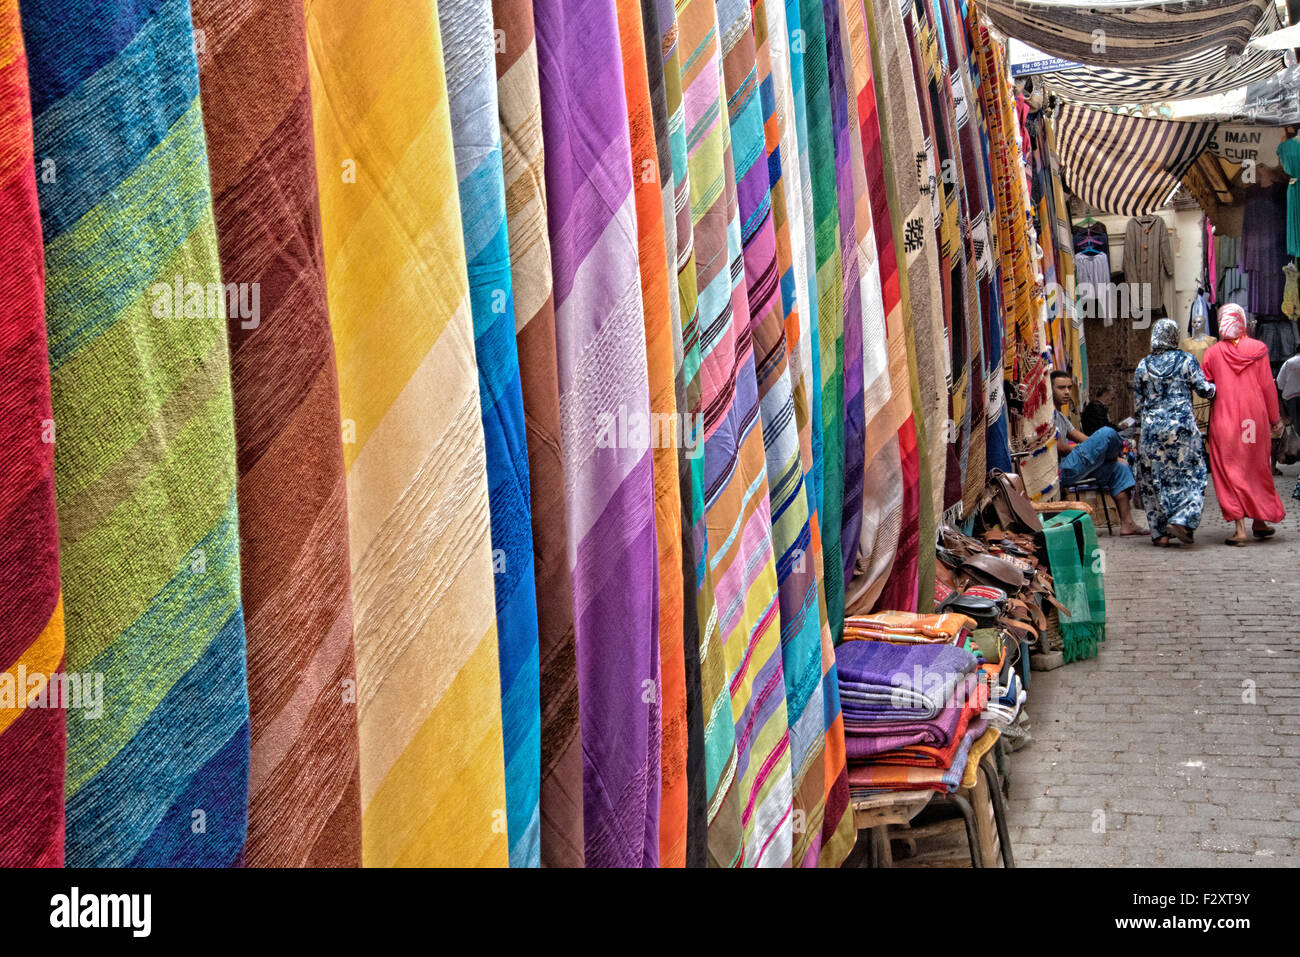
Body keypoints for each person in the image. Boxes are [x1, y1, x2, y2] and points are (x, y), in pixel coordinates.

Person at [1201, 304, 1286, 545]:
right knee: (1256, 467)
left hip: (1224, 422)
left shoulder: (1213, 353)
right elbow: (1268, 387)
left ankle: (1240, 528)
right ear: (1242, 321)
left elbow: (1205, 386)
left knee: (1230, 471)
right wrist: (1275, 419)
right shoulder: (1258, 349)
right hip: (1254, 422)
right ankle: (1259, 520)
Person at [1133, 319, 1216, 546]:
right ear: (1174, 336)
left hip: (1152, 431)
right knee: (1192, 474)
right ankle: (1182, 519)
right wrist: (1217, 389)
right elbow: (1203, 389)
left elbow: (1138, 405)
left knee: (1155, 478)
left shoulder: (1143, 365)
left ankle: (1160, 534)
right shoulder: (1186, 360)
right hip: (1182, 430)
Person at [1052, 370, 1143, 535]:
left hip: (1077, 466)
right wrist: (1097, 447)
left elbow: (1083, 439)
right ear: (1050, 390)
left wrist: (1096, 447)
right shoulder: (1048, 415)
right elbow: (1061, 448)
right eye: (1061, 388)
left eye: (1068, 387)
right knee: (1107, 432)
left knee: (1119, 469)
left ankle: (1127, 524)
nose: (1066, 392)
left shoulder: (1061, 416)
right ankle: (1114, 455)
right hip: (1064, 469)